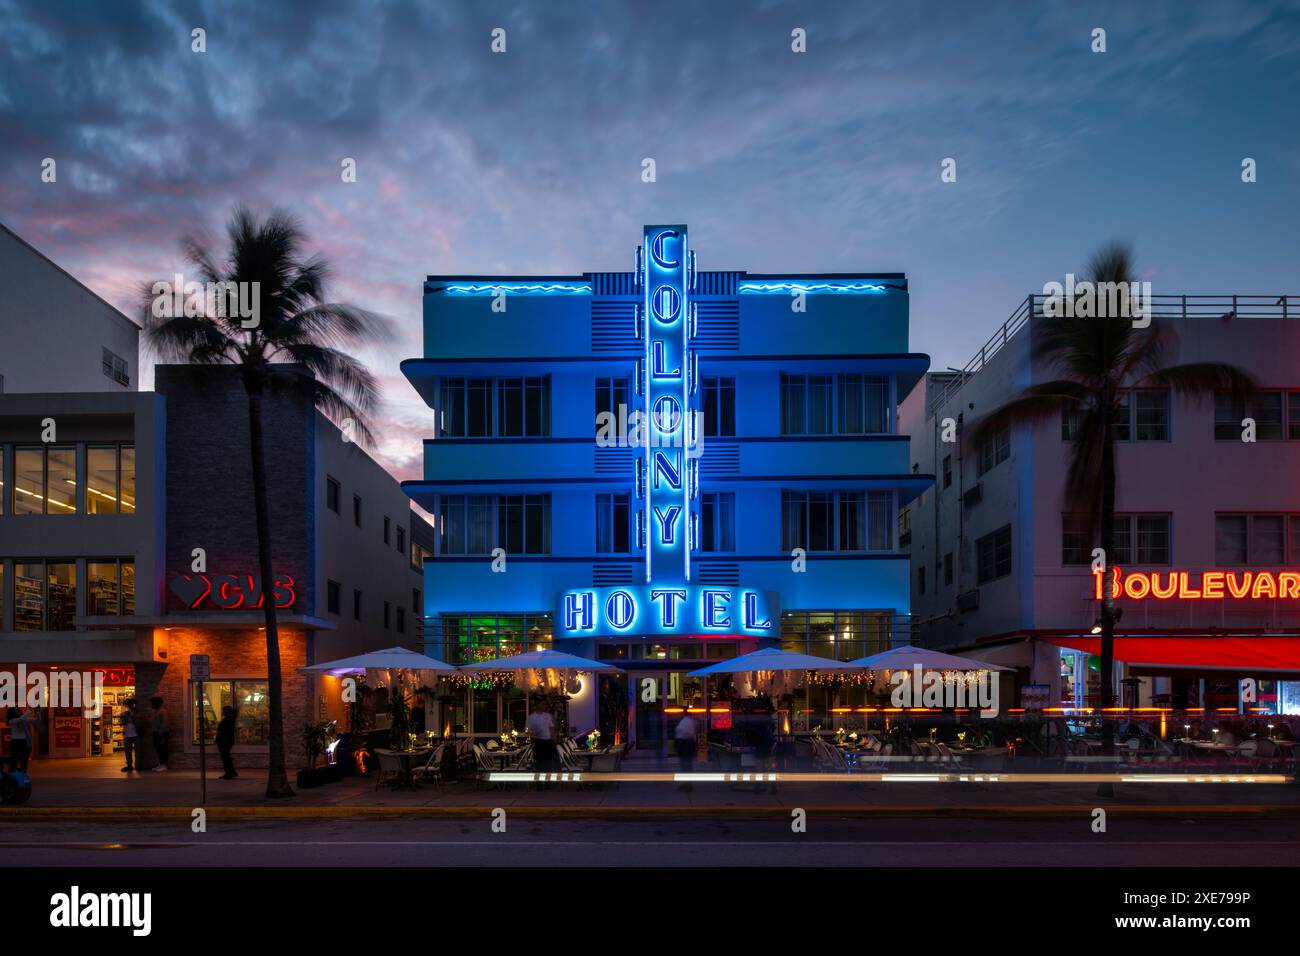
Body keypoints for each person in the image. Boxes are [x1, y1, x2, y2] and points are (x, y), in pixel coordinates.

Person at [525, 699, 556, 789]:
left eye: (544, 705)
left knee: (548, 763)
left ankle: (548, 783)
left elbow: (551, 727)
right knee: (538, 763)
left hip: (548, 741)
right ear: (537, 705)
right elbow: (527, 732)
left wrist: (553, 739)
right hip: (538, 742)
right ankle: (539, 784)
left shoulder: (547, 716)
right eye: (542, 704)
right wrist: (533, 733)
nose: (544, 706)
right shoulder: (531, 717)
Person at [5, 707, 35, 774]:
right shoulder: (11, 720)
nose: (18, 710)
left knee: (23, 761)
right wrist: (29, 711)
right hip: (15, 742)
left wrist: (38, 713)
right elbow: (21, 719)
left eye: (18, 709)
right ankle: (11, 776)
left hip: (23, 742)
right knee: (14, 760)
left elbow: (34, 720)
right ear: (12, 713)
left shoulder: (23, 719)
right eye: (16, 710)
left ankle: (23, 775)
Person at [673, 712, 698, 790]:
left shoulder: (686, 721)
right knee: (687, 764)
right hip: (687, 743)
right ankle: (687, 783)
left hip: (685, 743)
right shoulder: (691, 721)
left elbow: (682, 732)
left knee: (685, 764)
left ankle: (688, 784)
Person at [215, 705, 237, 779]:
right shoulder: (229, 719)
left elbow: (224, 731)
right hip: (225, 741)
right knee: (226, 757)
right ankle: (231, 772)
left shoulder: (228, 720)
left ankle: (229, 773)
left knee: (225, 758)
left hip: (225, 741)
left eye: (224, 711)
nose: (223, 712)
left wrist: (219, 739)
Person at [150, 696, 170, 771]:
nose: (151, 705)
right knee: (158, 748)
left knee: (162, 749)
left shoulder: (162, 711)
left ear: (156, 703)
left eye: (152, 703)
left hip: (162, 733)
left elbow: (165, 723)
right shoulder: (156, 711)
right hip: (157, 733)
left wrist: (160, 732)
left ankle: (164, 765)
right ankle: (161, 764)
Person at [120, 699, 139, 773]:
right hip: (128, 733)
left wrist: (132, 716)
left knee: (137, 751)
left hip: (136, 733)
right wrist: (125, 717)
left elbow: (138, 721)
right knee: (128, 751)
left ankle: (137, 765)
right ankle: (130, 765)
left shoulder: (136, 712)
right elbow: (123, 722)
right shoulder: (125, 713)